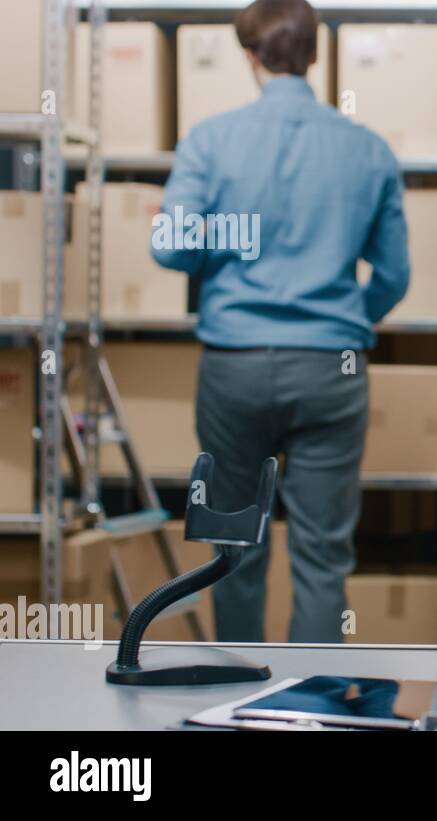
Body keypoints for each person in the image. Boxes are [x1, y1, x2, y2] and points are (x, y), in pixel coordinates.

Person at [151, 0, 410, 642]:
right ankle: (314, 705)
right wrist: (346, 319)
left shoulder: (212, 140)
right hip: (332, 366)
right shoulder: (368, 149)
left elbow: (170, 246)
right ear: (315, 55)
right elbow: (395, 274)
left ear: (250, 55)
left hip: (233, 365)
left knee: (232, 546)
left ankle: (234, 698)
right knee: (323, 555)